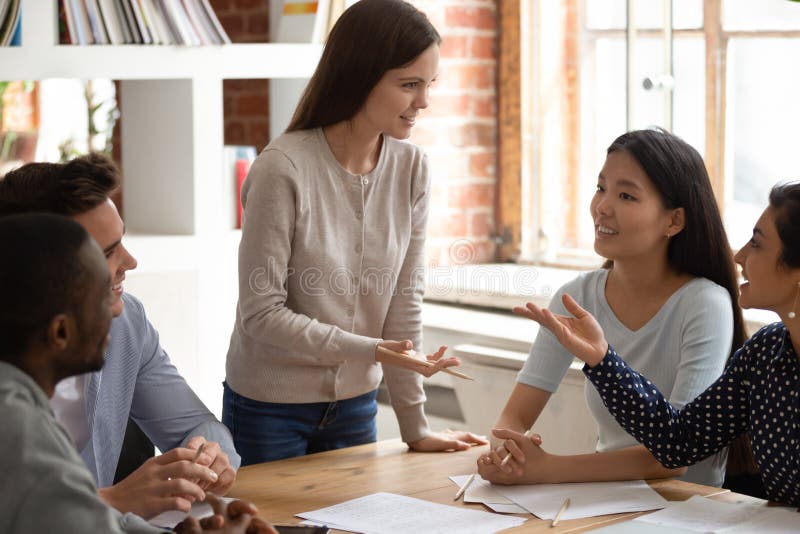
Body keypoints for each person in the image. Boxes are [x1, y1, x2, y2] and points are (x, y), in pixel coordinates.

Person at [223, 0, 486, 465]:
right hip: (269, 410)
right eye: (409, 85)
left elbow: (404, 304)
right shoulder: (282, 169)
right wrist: (374, 350)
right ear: (360, 76)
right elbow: (261, 314)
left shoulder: (412, 170)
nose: (423, 102)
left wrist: (415, 427)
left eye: (429, 85)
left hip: (356, 408)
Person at [478, 129, 746, 487]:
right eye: (601, 188)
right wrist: (506, 453)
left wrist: (547, 469)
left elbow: (675, 458)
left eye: (626, 195)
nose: (602, 207)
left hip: (686, 509)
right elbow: (513, 417)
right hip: (605, 502)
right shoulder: (576, 297)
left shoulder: (704, 303)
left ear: (673, 221)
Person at [512, 181, 800, 506]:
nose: (739, 255)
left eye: (758, 245)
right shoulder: (766, 352)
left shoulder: (707, 304)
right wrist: (603, 360)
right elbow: (677, 442)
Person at [0, 213, 275, 534]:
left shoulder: (26, 399)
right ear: (61, 331)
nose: (118, 310)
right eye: (100, 295)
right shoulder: (17, 421)